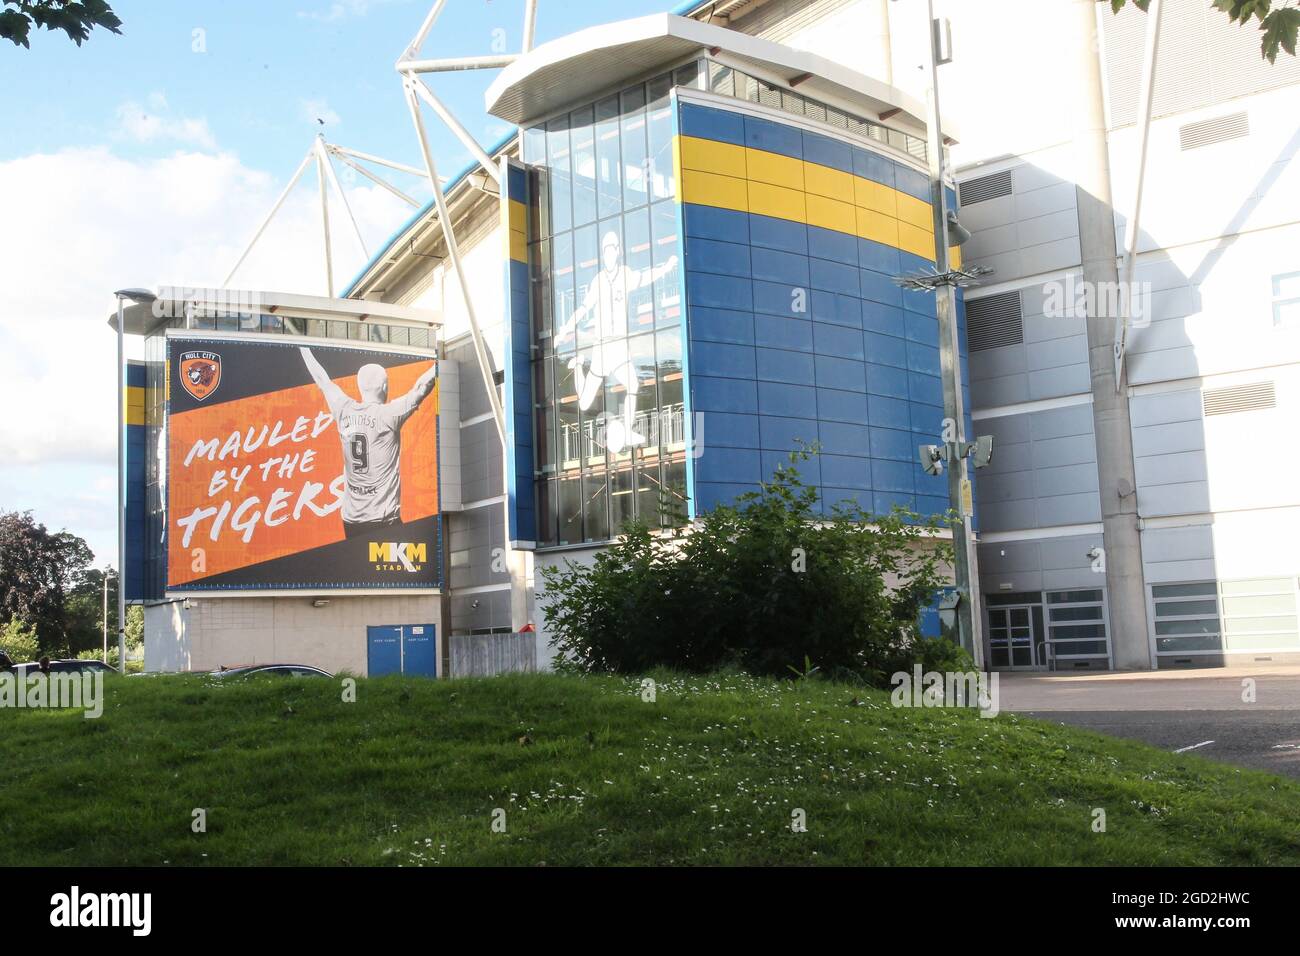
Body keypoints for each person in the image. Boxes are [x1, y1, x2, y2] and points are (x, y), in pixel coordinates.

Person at [554, 230, 677, 453]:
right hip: (602, 346)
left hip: (619, 344)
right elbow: (583, 309)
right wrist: (564, 331)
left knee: (633, 384)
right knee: (583, 402)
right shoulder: (598, 281)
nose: (609, 254)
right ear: (603, 254)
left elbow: (646, 276)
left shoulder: (626, 275)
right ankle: (579, 366)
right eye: (606, 250)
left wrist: (666, 268)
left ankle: (627, 427)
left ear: (618, 251)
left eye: (612, 249)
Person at [299, 348, 437, 538]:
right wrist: (438, 366)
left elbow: (322, 379)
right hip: (383, 520)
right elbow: (422, 386)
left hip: (351, 520)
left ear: (360, 387)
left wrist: (303, 347)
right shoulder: (389, 414)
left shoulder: (343, 409)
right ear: (384, 388)